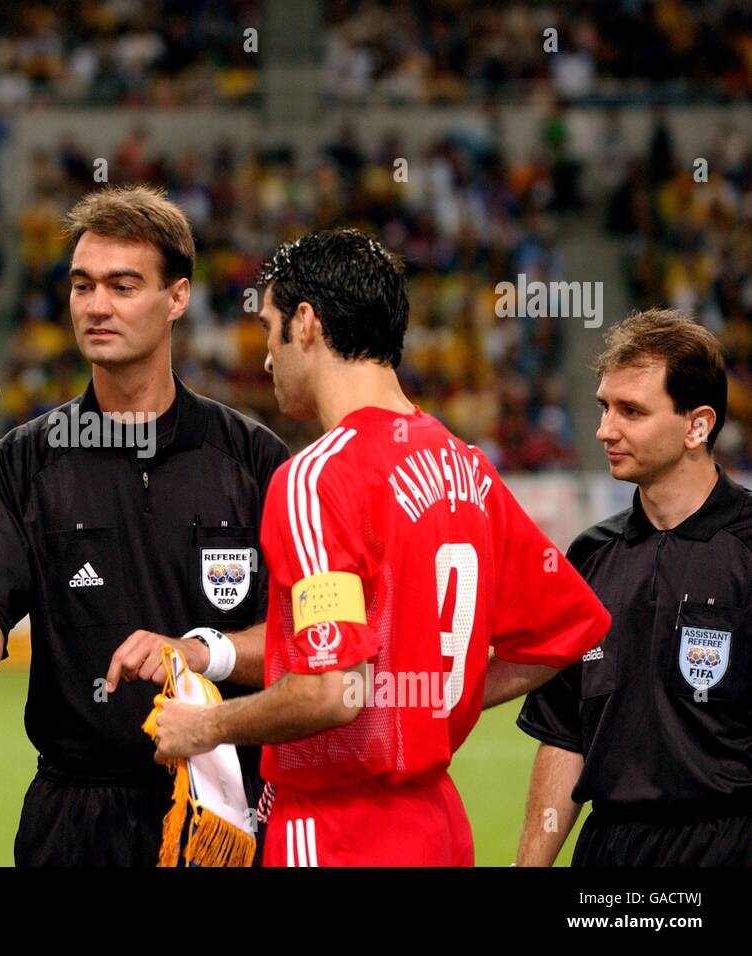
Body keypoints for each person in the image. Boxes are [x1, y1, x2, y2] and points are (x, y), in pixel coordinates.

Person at [149, 228, 611, 866]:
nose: (264, 358)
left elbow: (330, 690)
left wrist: (205, 727)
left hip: (339, 826)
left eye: (268, 329)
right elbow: (573, 630)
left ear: (305, 324)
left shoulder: (316, 477)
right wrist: (424, 701)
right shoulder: (467, 467)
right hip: (440, 822)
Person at [0, 185, 290, 866]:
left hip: (223, 809)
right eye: (82, 285)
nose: (96, 306)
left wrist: (200, 650)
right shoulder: (24, 460)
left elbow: (301, 645)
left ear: (177, 297)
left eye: (123, 285)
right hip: (73, 816)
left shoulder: (254, 459)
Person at [517, 309, 752, 866]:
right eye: (604, 407)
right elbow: (564, 732)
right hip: (610, 854)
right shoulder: (590, 556)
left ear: (697, 426)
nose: (604, 429)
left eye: (631, 411)